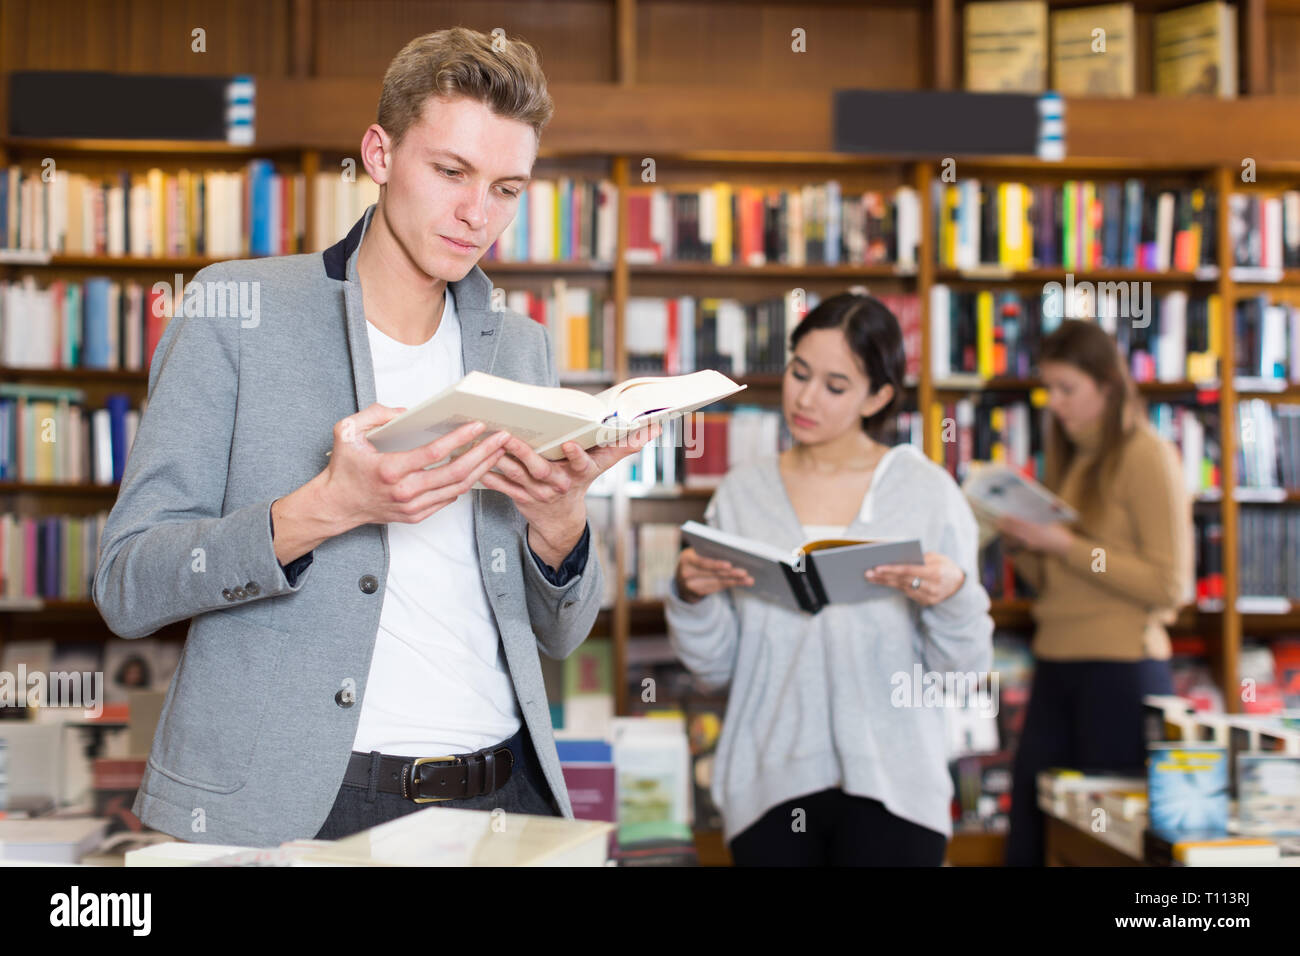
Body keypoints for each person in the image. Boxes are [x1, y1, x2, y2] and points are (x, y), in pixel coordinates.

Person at [91, 27, 652, 848]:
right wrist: (321, 510)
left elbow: (561, 635)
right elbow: (126, 584)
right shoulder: (235, 311)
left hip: (507, 794)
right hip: (306, 803)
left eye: (506, 188)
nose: (476, 214)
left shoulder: (520, 343)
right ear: (380, 154)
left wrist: (561, 524)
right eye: (451, 171)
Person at [665, 292, 994, 866]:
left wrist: (956, 598)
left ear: (879, 396)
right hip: (769, 784)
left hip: (896, 788)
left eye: (836, 386)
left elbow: (960, 672)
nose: (807, 398)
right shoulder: (744, 492)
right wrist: (692, 597)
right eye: (799, 373)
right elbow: (715, 669)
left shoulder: (925, 492)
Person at [1002, 319, 1193, 866]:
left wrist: (1065, 546)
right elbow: (1062, 586)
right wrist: (1025, 547)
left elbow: (1168, 583)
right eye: (1049, 389)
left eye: (1068, 389)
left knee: (1107, 845)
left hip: (1120, 672)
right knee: (1034, 835)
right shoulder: (1071, 461)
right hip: (1057, 664)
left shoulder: (1146, 455)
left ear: (1108, 385)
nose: (1056, 404)